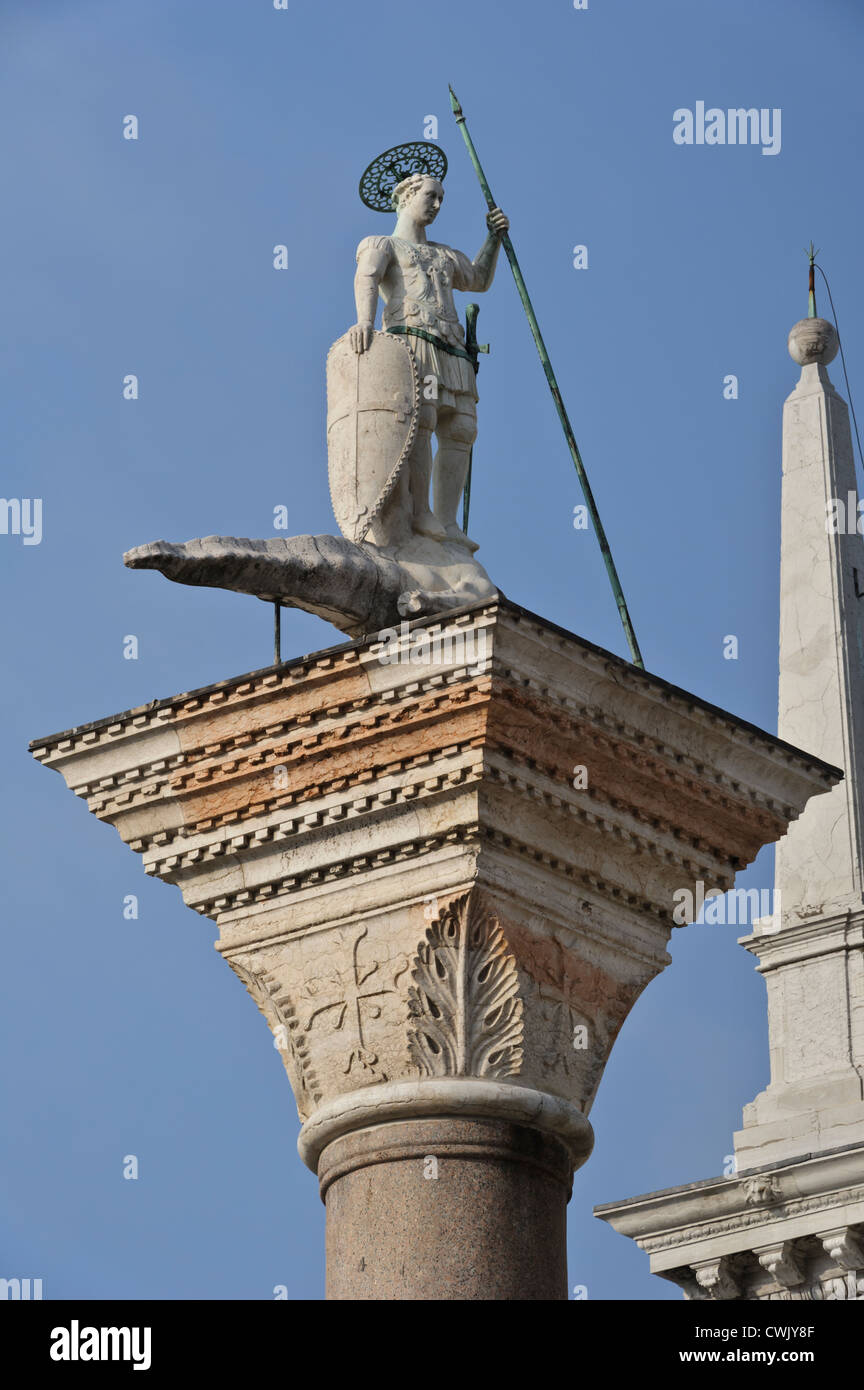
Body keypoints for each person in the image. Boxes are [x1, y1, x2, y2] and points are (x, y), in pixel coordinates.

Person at [349, 173, 508, 551]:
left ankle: (448, 522)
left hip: (451, 347)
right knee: (424, 419)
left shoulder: (445, 254)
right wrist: (363, 323)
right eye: (430, 196)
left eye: (441, 198)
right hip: (413, 340)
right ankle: (421, 511)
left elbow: (479, 279)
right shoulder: (382, 244)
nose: (437, 205)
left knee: (462, 429)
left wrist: (493, 237)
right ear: (406, 196)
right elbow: (367, 276)